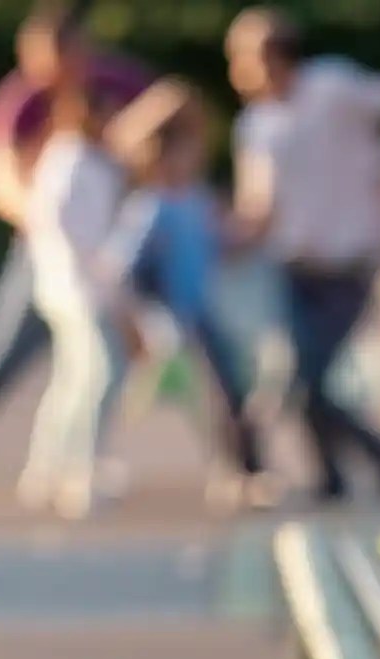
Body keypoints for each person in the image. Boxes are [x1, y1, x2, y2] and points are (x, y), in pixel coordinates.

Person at [224, 6, 380, 503]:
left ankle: (377, 451)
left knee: (308, 376)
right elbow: (257, 208)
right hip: (293, 270)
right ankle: (332, 476)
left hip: (348, 267)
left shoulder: (331, 89)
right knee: (301, 377)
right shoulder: (256, 126)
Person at [102, 77, 269, 505]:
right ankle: (230, 469)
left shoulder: (195, 200)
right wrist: (143, 322)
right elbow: (126, 269)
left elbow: (220, 244)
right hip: (176, 322)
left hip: (205, 313)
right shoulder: (151, 208)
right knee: (202, 399)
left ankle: (244, 469)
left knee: (233, 393)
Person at [0, 4, 152, 411]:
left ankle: (241, 459)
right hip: (52, 250)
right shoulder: (23, 99)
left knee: (153, 354)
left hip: (116, 243)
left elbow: (163, 126)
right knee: (5, 353)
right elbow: (2, 178)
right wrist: (57, 217)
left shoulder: (118, 84)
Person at [16, 81, 136, 518]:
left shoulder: (87, 161)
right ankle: (77, 474)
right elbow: (65, 227)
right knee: (101, 376)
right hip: (79, 289)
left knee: (74, 380)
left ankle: (49, 469)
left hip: (75, 287)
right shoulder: (70, 160)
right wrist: (97, 278)